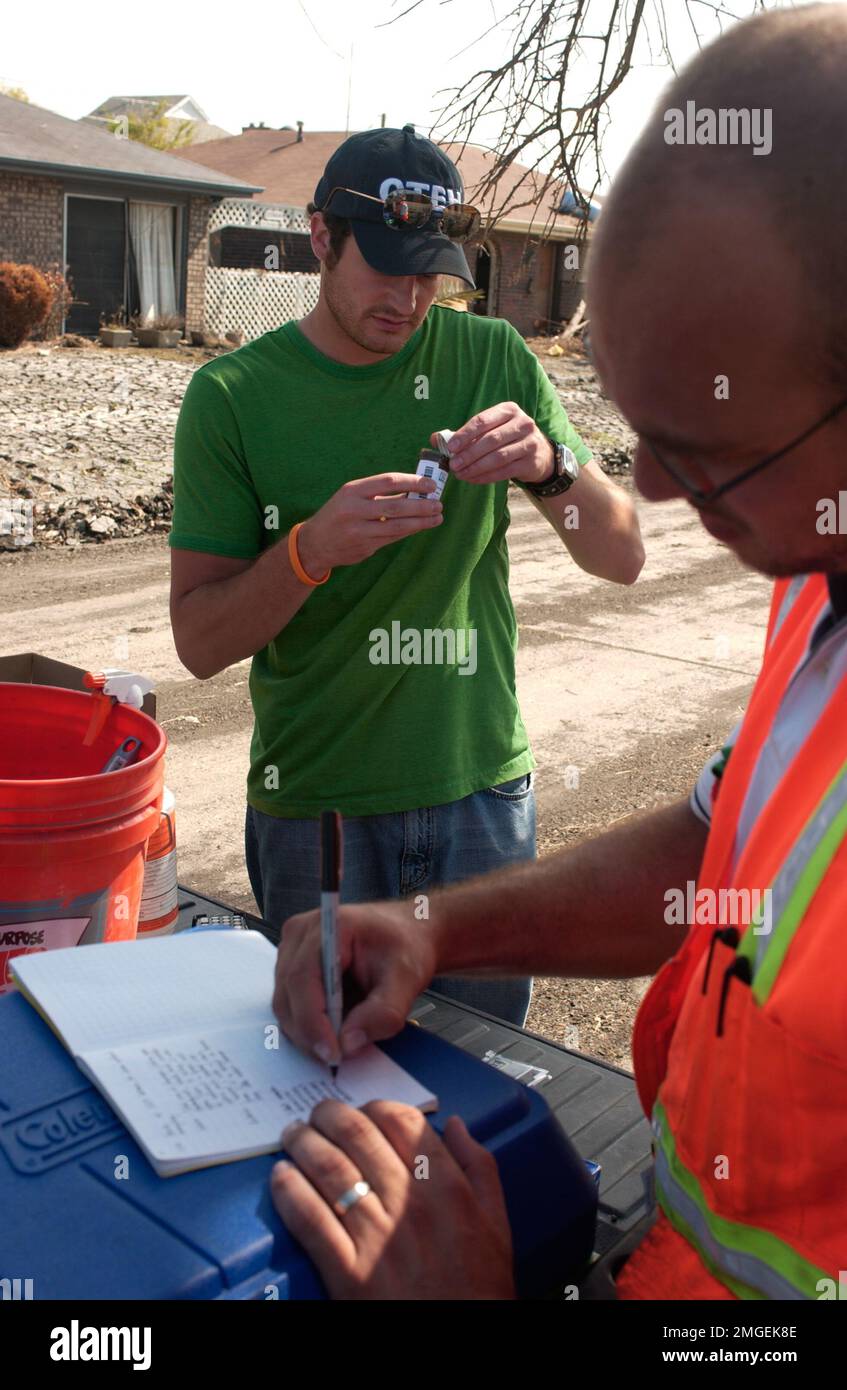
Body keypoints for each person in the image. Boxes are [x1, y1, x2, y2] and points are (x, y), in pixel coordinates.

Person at [266, 4, 847, 1300]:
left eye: (702, 452)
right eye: (629, 429)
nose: (648, 479)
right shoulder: (820, 577)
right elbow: (718, 852)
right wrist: (427, 924)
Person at [169, 123, 643, 1028]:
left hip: (479, 802)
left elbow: (620, 557)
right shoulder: (232, 397)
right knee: (323, 1076)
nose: (410, 297)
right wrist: (310, 551)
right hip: (319, 816)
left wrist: (548, 465)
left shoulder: (492, 358)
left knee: (483, 1083)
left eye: (429, 271)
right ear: (319, 238)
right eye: (385, 267)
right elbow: (199, 643)